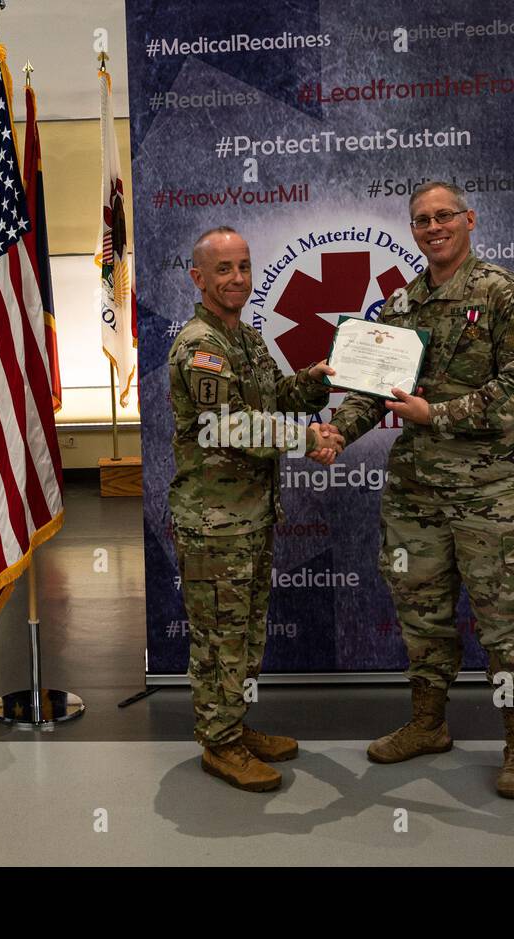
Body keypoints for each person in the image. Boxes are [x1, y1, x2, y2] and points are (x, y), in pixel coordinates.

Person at [317, 182, 514, 798]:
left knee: (507, 626)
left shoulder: (510, 296)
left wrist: (435, 417)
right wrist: (338, 435)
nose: (433, 227)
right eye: (421, 220)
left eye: (444, 216)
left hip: (494, 493)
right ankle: (428, 723)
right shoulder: (399, 307)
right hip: (417, 495)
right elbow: (374, 392)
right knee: (421, 616)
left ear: (470, 220)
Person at [168, 225, 340, 792]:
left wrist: (310, 385)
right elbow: (229, 425)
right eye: (223, 269)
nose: (237, 277)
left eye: (243, 266)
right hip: (215, 523)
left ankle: (233, 727)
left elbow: (269, 400)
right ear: (198, 277)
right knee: (220, 636)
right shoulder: (200, 345)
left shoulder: (245, 337)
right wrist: (306, 436)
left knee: (244, 633)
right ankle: (218, 744)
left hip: (252, 516)